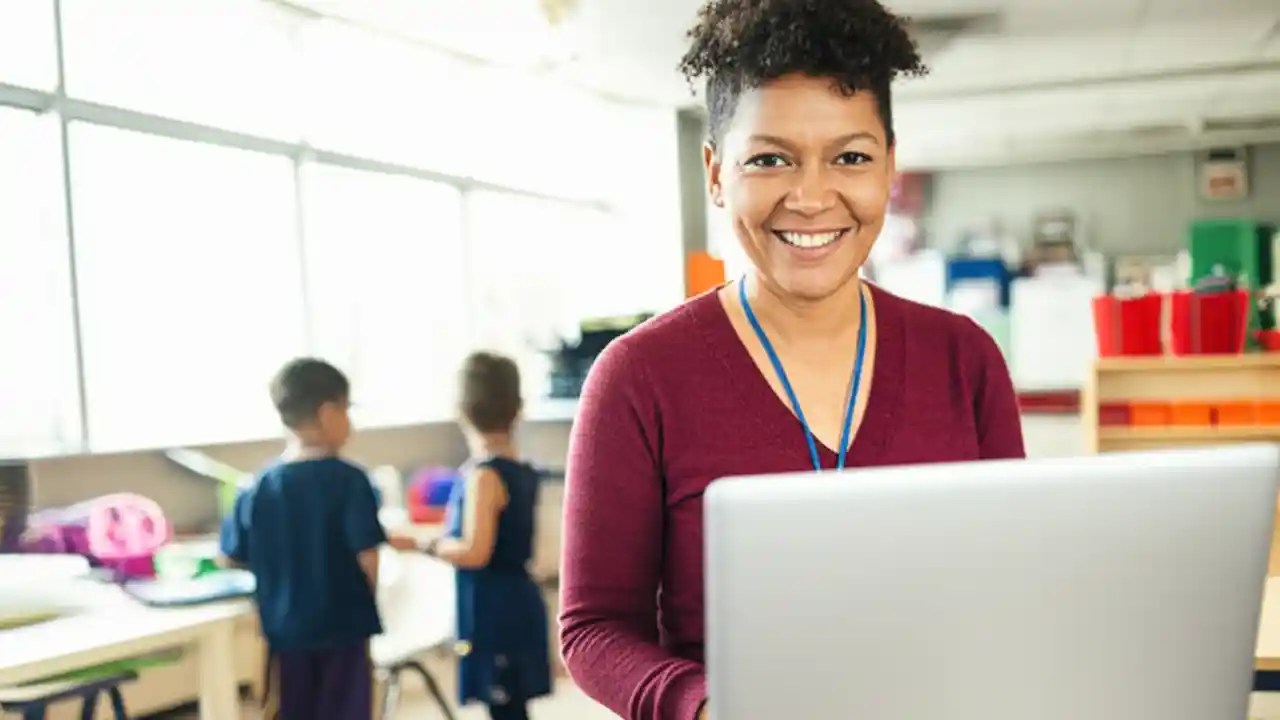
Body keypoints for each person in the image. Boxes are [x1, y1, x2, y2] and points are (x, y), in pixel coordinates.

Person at [558, 1, 1026, 719]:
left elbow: (1011, 581)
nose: (811, 197)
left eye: (851, 157)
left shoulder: (965, 359)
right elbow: (594, 631)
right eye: (770, 159)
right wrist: (708, 706)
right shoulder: (637, 378)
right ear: (717, 173)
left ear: (890, 169)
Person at [220, 358, 385, 720]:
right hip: (343, 629)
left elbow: (234, 556)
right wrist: (368, 599)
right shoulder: (351, 481)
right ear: (328, 413)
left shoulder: (257, 487)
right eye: (347, 410)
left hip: (284, 632)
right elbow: (367, 558)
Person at [391, 351, 552, 720]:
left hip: (496, 608)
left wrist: (419, 543)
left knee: (504, 709)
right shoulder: (520, 469)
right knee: (512, 708)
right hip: (515, 598)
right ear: (518, 408)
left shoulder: (484, 475)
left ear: (461, 410)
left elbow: (476, 550)